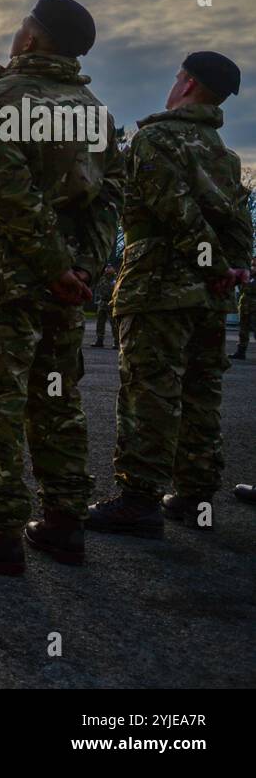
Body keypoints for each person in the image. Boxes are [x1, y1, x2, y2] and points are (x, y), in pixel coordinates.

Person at [0, 0, 123, 575]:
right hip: (66, 290)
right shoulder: (98, 114)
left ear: (32, 39)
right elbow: (111, 197)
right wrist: (81, 268)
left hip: (10, 282)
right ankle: (64, 524)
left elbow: (4, 195)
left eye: (21, 26)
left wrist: (50, 264)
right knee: (58, 400)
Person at [88, 52, 251, 537]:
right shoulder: (223, 155)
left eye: (178, 75)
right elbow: (239, 222)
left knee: (151, 390)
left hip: (160, 285)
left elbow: (175, 209)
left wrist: (216, 264)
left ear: (188, 84)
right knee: (201, 390)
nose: (173, 82)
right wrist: (231, 269)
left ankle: (139, 500)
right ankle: (194, 495)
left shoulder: (156, 138)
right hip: (208, 294)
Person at [92, 263, 119, 348]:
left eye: (110, 267)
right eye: (107, 267)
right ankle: (99, 340)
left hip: (111, 303)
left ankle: (116, 342)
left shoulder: (117, 278)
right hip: (102, 303)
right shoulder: (102, 278)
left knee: (114, 324)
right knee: (100, 323)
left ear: (114, 269)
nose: (108, 269)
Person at [234, 261, 252, 359]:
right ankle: (241, 352)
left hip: (253, 305)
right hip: (245, 305)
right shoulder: (247, 274)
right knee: (243, 331)